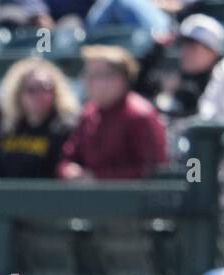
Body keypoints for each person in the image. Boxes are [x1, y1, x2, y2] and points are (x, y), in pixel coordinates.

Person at [59, 45, 166, 180]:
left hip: (128, 199)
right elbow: (68, 156)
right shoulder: (89, 112)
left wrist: (98, 178)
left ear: (119, 79)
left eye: (95, 75)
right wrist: (68, 170)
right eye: (86, 74)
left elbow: (152, 171)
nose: (87, 81)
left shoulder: (141, 115)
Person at [0, 58, 77, 179]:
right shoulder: (7, 130)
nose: (39, 95)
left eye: (46, 88)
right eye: (31, 89)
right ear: (18, 93)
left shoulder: (66, 130)